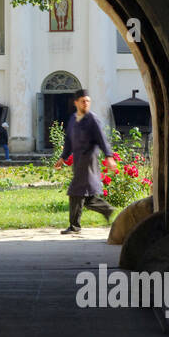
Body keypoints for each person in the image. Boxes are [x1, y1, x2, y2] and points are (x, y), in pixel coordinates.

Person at [55, 89, 118, 233]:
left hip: (88, 161)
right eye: (83, 101)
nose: (86, 104)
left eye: (88, 101)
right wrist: (63, 157)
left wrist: (109, 156)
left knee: (76, 192)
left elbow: (102, 139)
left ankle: (74, 226)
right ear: (76, 102)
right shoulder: (72, 119)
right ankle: (107, 210)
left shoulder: (92, 119)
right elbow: (69, 141)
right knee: (86, 196)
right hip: (78, 160)